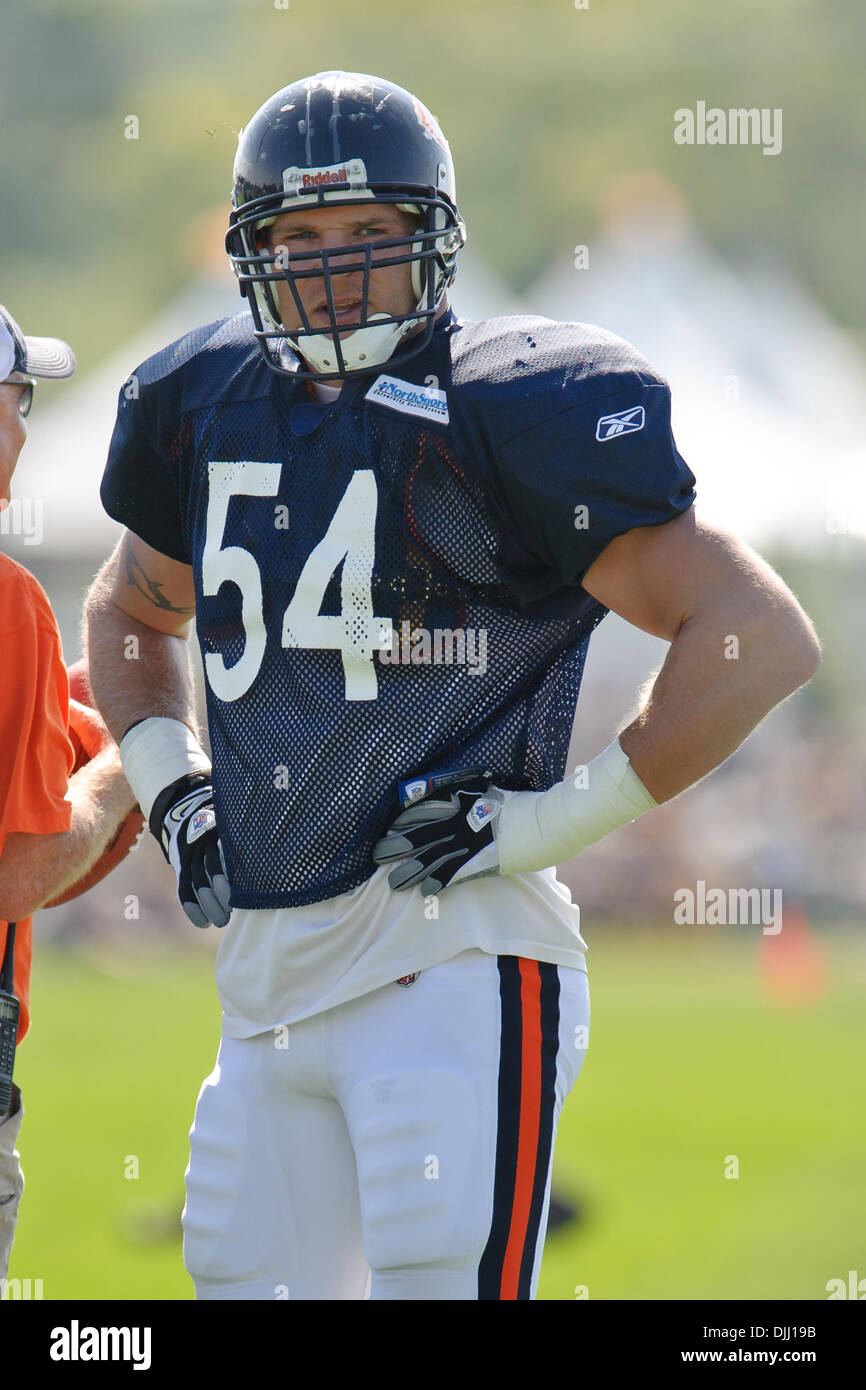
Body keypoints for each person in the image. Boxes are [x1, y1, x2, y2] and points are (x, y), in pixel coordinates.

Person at [84, 72, 820, 1301]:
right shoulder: (198, 402)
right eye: (300, 238)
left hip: (453, 958)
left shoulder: (507, 401)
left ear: (430, 236)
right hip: (263, 980)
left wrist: (540, 825)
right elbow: (126, 611)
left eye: (367, 232)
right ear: (252, 253)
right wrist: (171, 786)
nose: (332, 269)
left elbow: (758, 636)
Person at [0, 306, 138, 1281]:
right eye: (19, 402)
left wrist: (62, 720)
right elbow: (17, 874)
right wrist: (123, 764)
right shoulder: (9, 602)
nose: (22, 429)